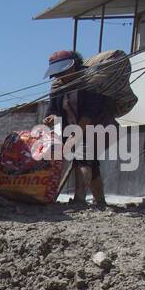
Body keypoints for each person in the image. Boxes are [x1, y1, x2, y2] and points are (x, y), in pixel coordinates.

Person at [43, 50, 115, 207]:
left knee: (82, 159)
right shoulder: (58, 88)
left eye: (61, 72)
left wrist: (75, 137)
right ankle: (100, 201)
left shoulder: (91, 84)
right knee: (91, 164)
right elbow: (52, 110)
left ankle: (79, 200)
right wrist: (51, 118)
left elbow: (89, 114)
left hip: (98, 128)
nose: (59, 77)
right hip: (72, 129)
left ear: (72, 67)